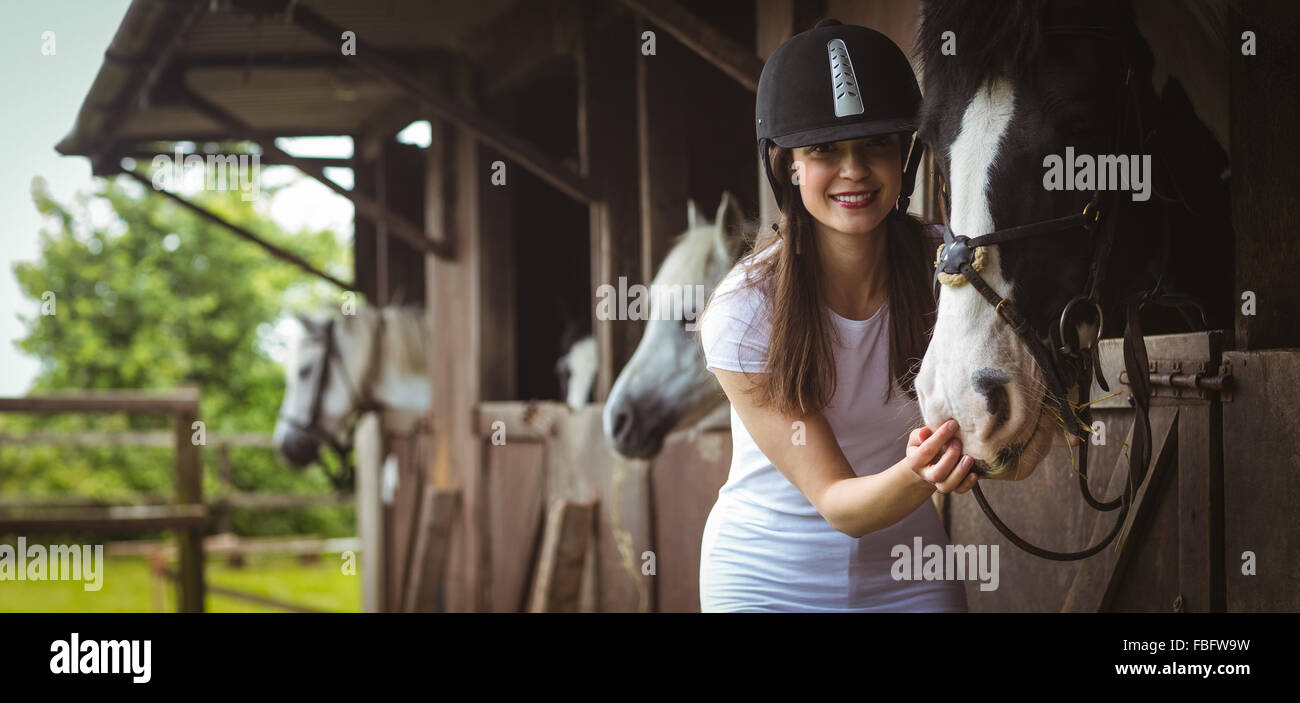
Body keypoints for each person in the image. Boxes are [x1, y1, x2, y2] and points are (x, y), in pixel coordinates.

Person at [697, 19, 978, 612]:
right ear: (788, 166)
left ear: (905, 155)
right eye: (825, 149)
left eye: (876, 144)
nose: (854, 169)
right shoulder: (745, 309)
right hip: (765, 580)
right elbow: (837, 502)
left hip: (911, 570)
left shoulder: (950, 266)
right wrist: (926, 471)